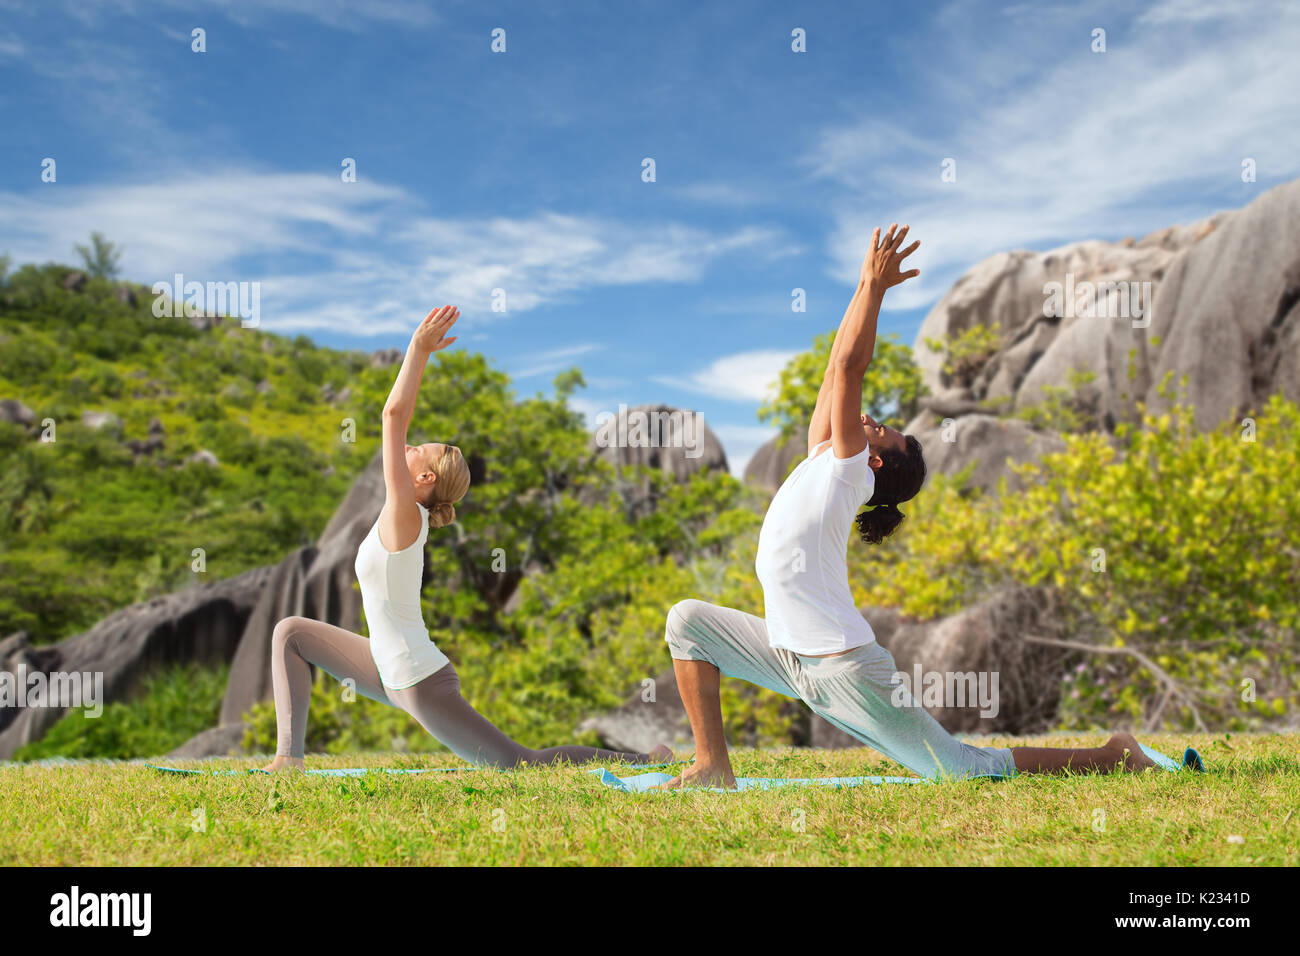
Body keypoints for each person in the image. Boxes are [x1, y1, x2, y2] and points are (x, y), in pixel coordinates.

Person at [660, 224, 1158, 789]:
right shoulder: (823, 456)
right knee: (688, 621)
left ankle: (1113, 755)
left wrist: (877, 290)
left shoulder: (848, 472)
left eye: (884, 432)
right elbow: (833, 368)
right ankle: (711, 765)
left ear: (875, 463)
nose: (871, 420)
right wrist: (861, 284)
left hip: (845, 669)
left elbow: (851, 369)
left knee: (963, 770)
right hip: (788, 655)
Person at [262, 305, 670, 772]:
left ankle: (641, 760)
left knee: (521, 765)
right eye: (414, 444)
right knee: (290, 632)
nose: (409, 447)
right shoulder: (400, 512)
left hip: (419, 680)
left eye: (420, 450)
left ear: (425, 478)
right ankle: (287, 761)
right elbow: (400, 423)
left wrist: (418, 350)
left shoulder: (404, 516)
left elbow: (392, 416)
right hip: (381, 667)